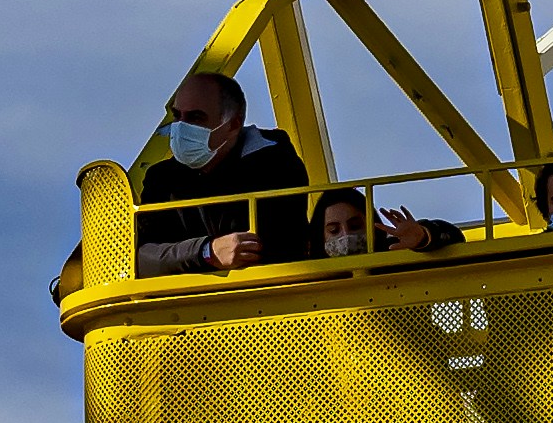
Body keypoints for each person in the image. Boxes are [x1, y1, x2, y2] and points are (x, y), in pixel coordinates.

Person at [136, 72, 312, 273]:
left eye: (195, 117)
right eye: (177, 116)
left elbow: (279, 248)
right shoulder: (161, 178)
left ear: (233, 125)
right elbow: (140, 259)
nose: (181, 128)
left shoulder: (277, 166)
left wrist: (182, 256)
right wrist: (206, 252)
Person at [307, 186, 464, 260]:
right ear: (320, 236)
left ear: (373, 225)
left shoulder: (395, 252)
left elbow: (454, 236)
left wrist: (423, 237)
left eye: (355, 226)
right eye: (334, 230)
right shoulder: (309, 272)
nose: (346, 235)